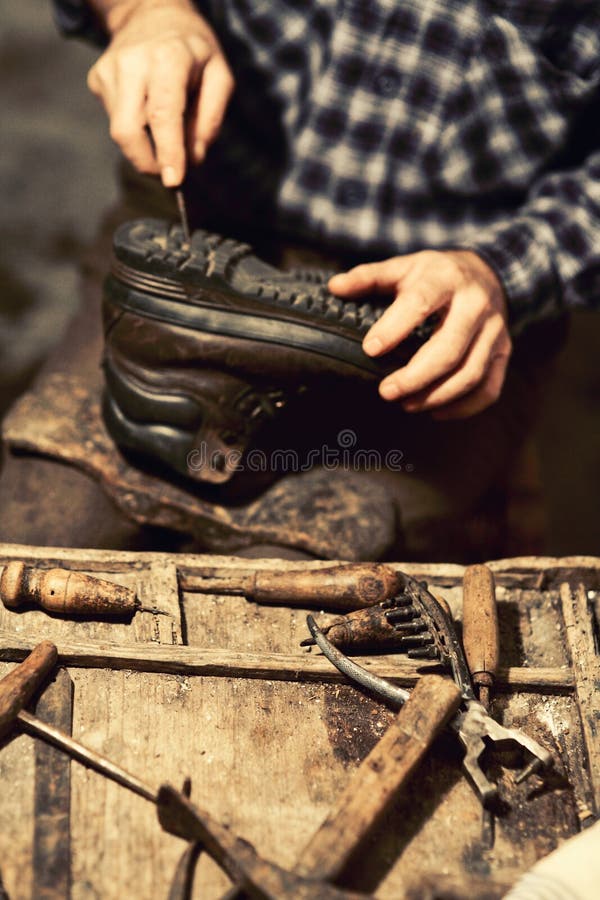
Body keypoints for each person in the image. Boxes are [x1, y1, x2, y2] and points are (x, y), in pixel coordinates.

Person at [1, 0, 595, 558]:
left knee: (291, 595)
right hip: (195, 239)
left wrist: (508, 270)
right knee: (42, 532)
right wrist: (143, 10)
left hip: (451, 300)